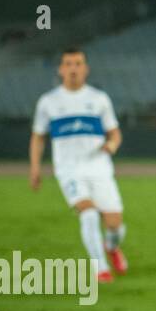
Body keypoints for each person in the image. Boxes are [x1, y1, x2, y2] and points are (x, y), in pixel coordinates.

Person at [29, 48, 129, 282]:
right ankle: (100, 268)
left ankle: (111, 247)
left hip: (99, 168)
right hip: (69, 170)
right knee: (89, 213)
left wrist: (112, 145)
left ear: (86, 69)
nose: (73, 68)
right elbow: (38, 137)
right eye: (68, 64)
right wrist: (35, 167)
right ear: (61, 69)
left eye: (78, 63)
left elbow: (115, 133)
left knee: (115, 225)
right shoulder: (48, 102)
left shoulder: (99, 99)